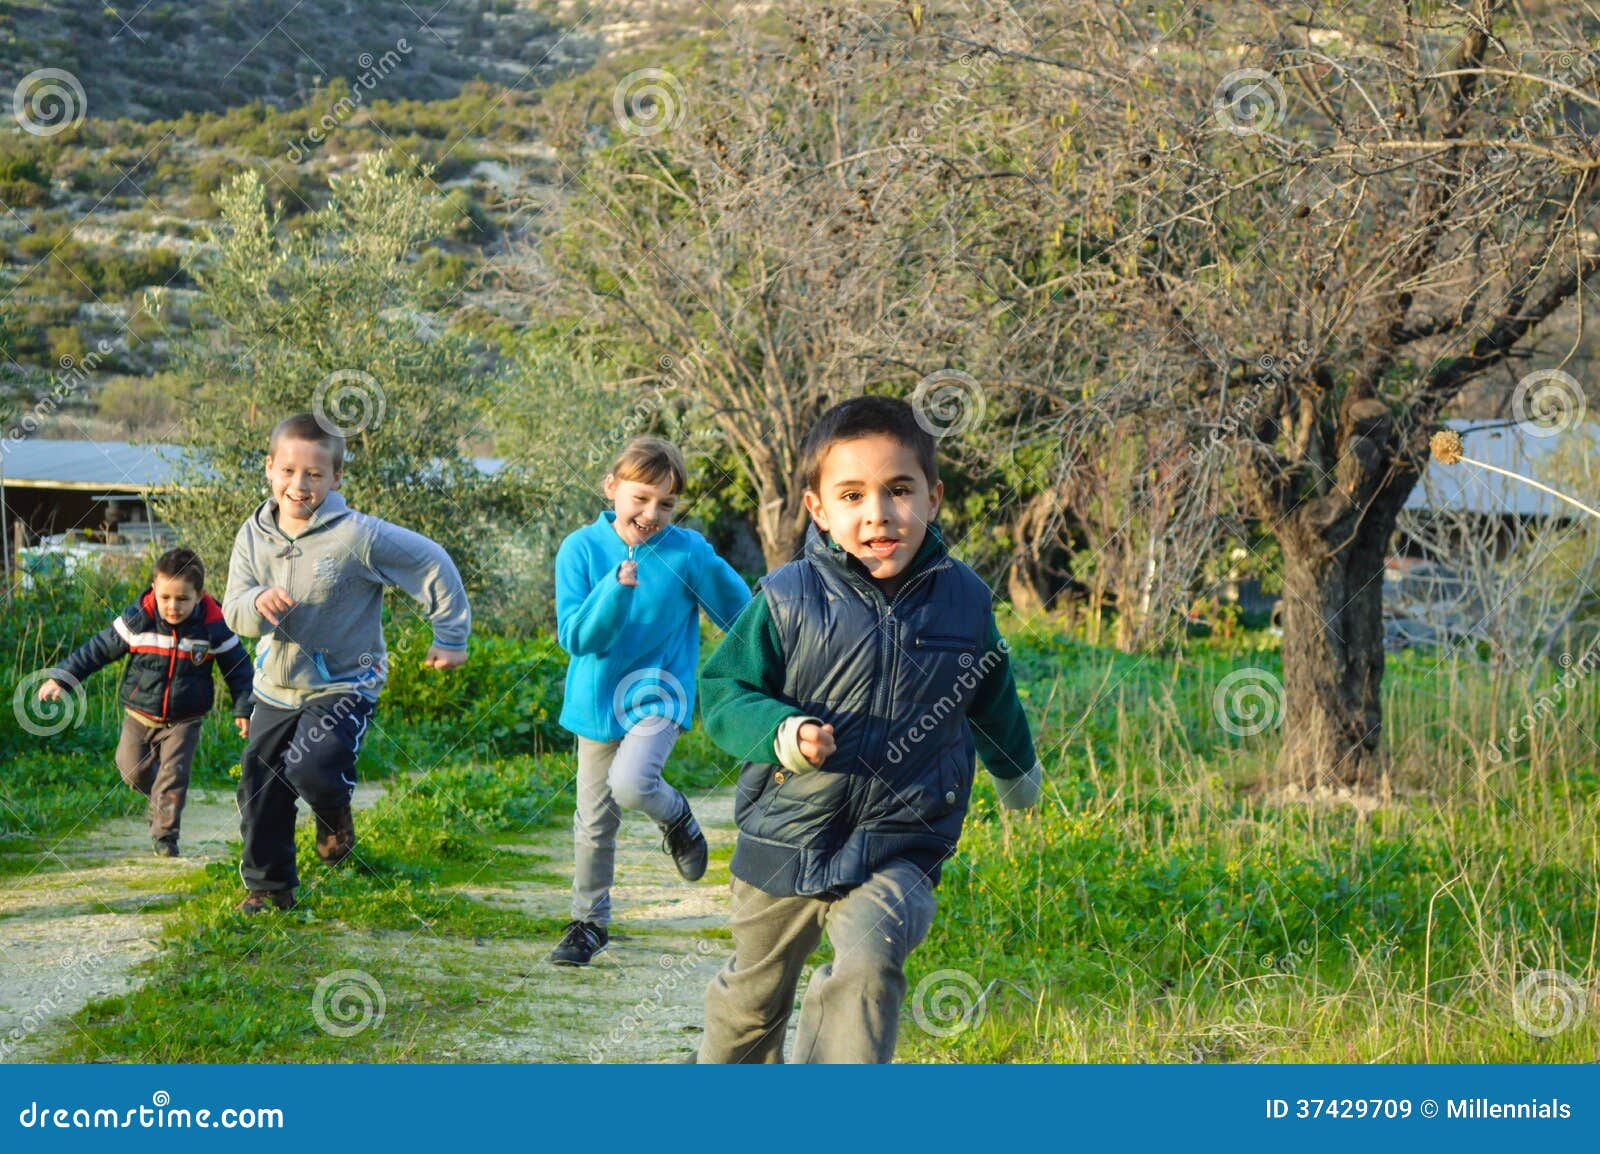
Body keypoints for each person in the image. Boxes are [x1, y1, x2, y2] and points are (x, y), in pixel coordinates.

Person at [695, 395, 1043, 1062]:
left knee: (868, 963)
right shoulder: (787, 597)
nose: (878, 513)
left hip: (902, 844)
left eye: (899, 490)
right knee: (753, 1000)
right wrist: (781, 732)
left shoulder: (965, 601)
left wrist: (1015, 773)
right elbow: (723, 693)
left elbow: (992, 696)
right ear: (819, 509)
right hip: (785, 835)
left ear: (934, 498)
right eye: (852, 495)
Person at [223, 412, 470, 914]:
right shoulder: (251, 536)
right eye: (289, 471)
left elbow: (431, 562)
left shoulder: (358, 535)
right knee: (260, 781)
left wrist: (450, 636)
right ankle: (270, 890)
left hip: (345, 681)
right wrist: (256, 606)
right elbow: (233, 611)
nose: (299, 484)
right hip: (275, 684)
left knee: (313, 765)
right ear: (269, 468)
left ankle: (333, 814)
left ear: (336, 478)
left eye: (314, 474)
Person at [549, 436, 751, 966]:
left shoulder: (688, 552)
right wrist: (616, 590)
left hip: (659, 694)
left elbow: (743, 617)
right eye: (641, 497)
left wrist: (777, 667)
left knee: (633, 784)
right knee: (593, 821)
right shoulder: (580, 549)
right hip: (595, 704)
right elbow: (576, 639)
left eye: (666, 503)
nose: (652, 512)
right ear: (612, 488)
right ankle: (589, 924)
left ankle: (677, 816)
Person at [37, 547, 253, 856]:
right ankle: (160, 802)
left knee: (173, 774)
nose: (172, 607)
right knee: (132, 772)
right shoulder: (139, 620)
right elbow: (96, 650)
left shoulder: (213, 626)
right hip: (139, 714)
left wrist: (244, 708)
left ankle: (165, 837)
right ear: (154, 589)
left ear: (200, 595)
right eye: (165, 597)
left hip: (185, 718)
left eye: (182, 599)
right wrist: (62, 678)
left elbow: (239, 670)